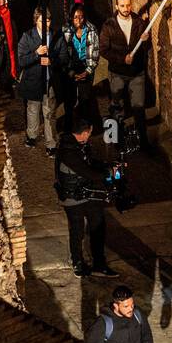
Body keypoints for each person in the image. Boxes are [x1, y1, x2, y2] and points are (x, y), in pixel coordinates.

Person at [54, 118, 117, 277]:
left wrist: (106, 166)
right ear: (83, 133)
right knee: (77, 231)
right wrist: (108, 174)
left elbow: (90, 163)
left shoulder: (80, 145)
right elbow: (86, 171)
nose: (89, 136)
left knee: (98, 225)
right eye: (88, 133)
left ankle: (99, 264)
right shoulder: (68, 151)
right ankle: (78, 263)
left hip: (88, 192)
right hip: (72, 197)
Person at [99, 0, 151, 150]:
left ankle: (144, 143)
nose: (126, 8)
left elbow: (146, 49)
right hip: (118, 73)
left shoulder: (138, 22)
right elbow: (103, 50)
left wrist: (144, 42)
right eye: (122, 6)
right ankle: (116, 141)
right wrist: (122, 59)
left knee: (139, 108)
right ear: (117, 6)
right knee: (117, 108)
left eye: (128, 5)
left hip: (137, 73)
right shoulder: (109, 25)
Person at [85, 285, 157, 343]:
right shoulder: (103, 323)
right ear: (116, 306)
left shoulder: (137, 314)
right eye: (126, 306)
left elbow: (146, 336)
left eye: (132, 305)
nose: (131, 309)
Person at [17, 7, 61, 152]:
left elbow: (64, 57)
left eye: (48, 21)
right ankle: (32, 135)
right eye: (42, 21)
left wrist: (51, 61)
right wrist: (36, 54)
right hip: (33, 81)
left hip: (49, 82)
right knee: (33, 109)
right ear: (36, 21)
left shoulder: (56, 36)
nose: (45, 24)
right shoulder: (27, 36)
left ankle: (51, 144)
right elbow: (22, 60)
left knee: (49, 113)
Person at [58, 3, 99, 130]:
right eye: (75, 17)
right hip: (70, 66)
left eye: (81, 17)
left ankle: (85, 123)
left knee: (85, 97)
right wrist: (69, 71)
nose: (78, 20)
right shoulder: (65, 30)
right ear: (71, 17)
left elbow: (95, 52)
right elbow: (63, 53)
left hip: (85, 66)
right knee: (69, 98)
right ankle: (69, 124)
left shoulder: (91, 29)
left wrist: (87, 71)